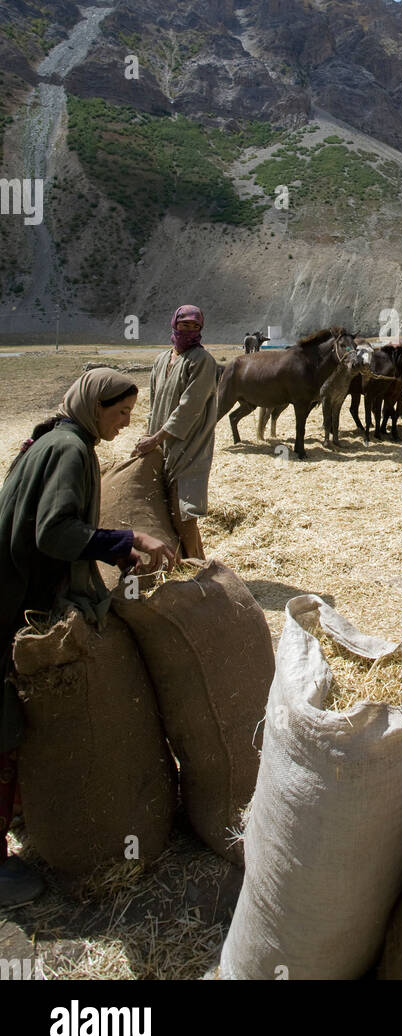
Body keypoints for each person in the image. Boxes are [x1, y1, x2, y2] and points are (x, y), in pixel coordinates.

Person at [0, 369, 176, 908]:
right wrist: (126, 540)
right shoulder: (71, 450)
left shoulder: (52, 438)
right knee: (4, 733)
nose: (125, 426)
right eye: (120, 414)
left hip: (11, 589)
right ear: (93, 406)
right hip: (8, 600)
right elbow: (53, 532)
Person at [134, 305, 219, 560]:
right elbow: (153, 403)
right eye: (185, 325)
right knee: (169, 510)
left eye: (195, 326)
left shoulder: (203, 361)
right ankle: (194, 560)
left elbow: (189, 408)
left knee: (184, 512)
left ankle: (195, 568)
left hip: (190, 446)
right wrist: (148, 438)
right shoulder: (162, 360)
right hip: (162, 445)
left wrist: (157, 437)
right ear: (174, 325)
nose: (189, 331)